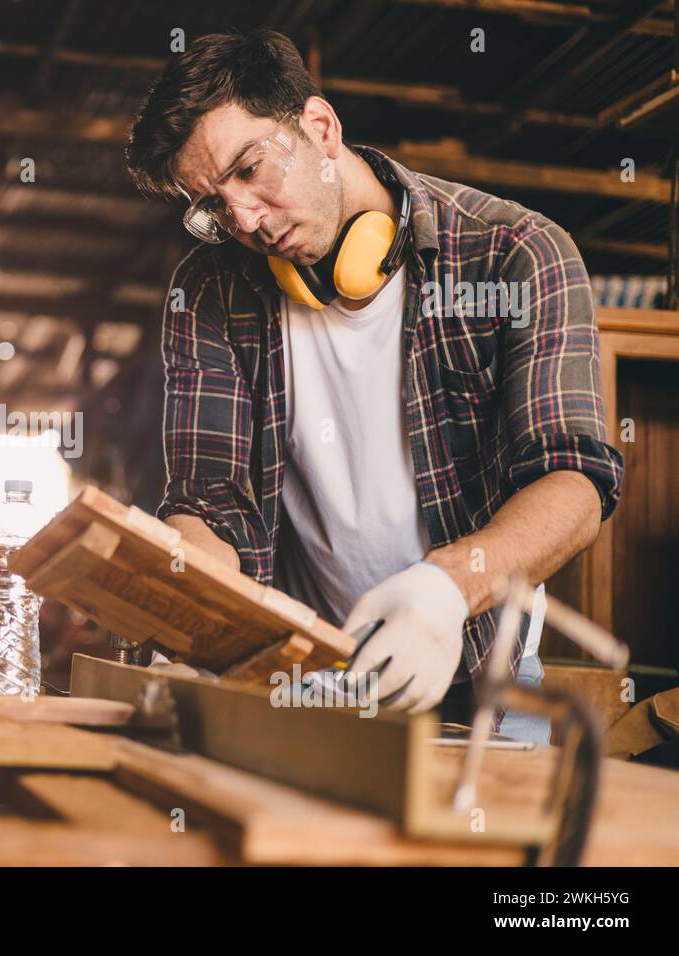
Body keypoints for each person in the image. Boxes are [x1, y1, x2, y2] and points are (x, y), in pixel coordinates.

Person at [124, 29, 624, 741]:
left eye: (249, 169)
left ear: (321, 128)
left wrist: (447, 589)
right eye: (212, 206)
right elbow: (212, 503)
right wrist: (185, 612)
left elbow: (573, 482)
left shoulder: (515, 256)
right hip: (297, 683)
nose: (243, 219)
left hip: (485, 675)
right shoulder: (210, 292)